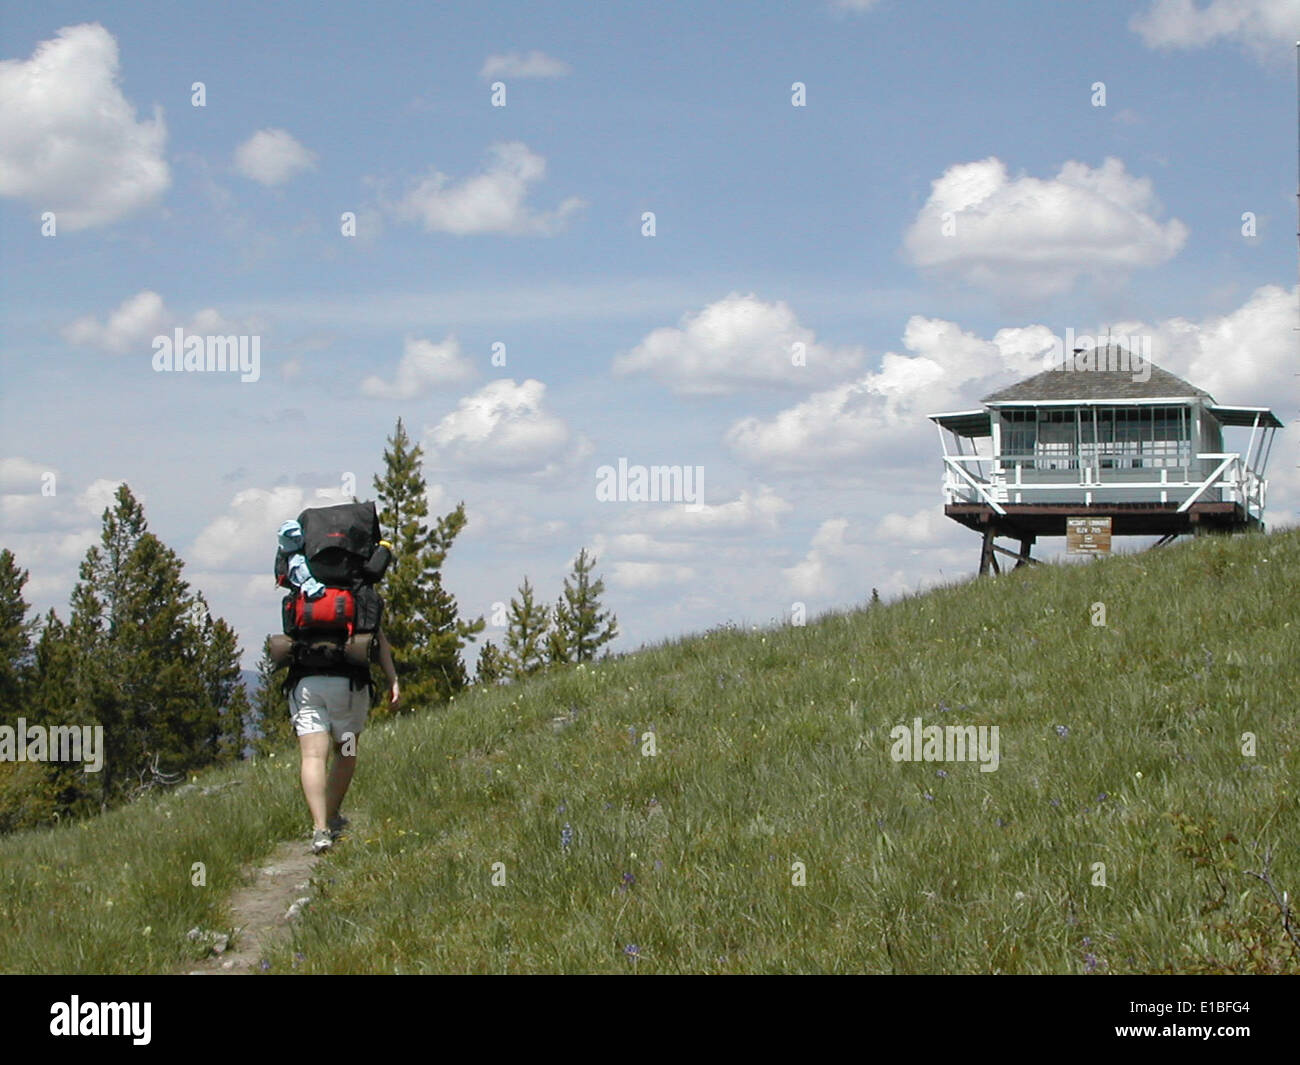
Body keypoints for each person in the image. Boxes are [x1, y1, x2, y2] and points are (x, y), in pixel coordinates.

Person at [287, 626, 400, 854]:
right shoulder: (360, 594)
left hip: (306, 686)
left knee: (312, 756)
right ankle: (331, 816)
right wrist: (393, 680)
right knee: (346, 751)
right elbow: (379, 641)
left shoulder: (304, 594)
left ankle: (320, 829)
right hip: (348, 689)